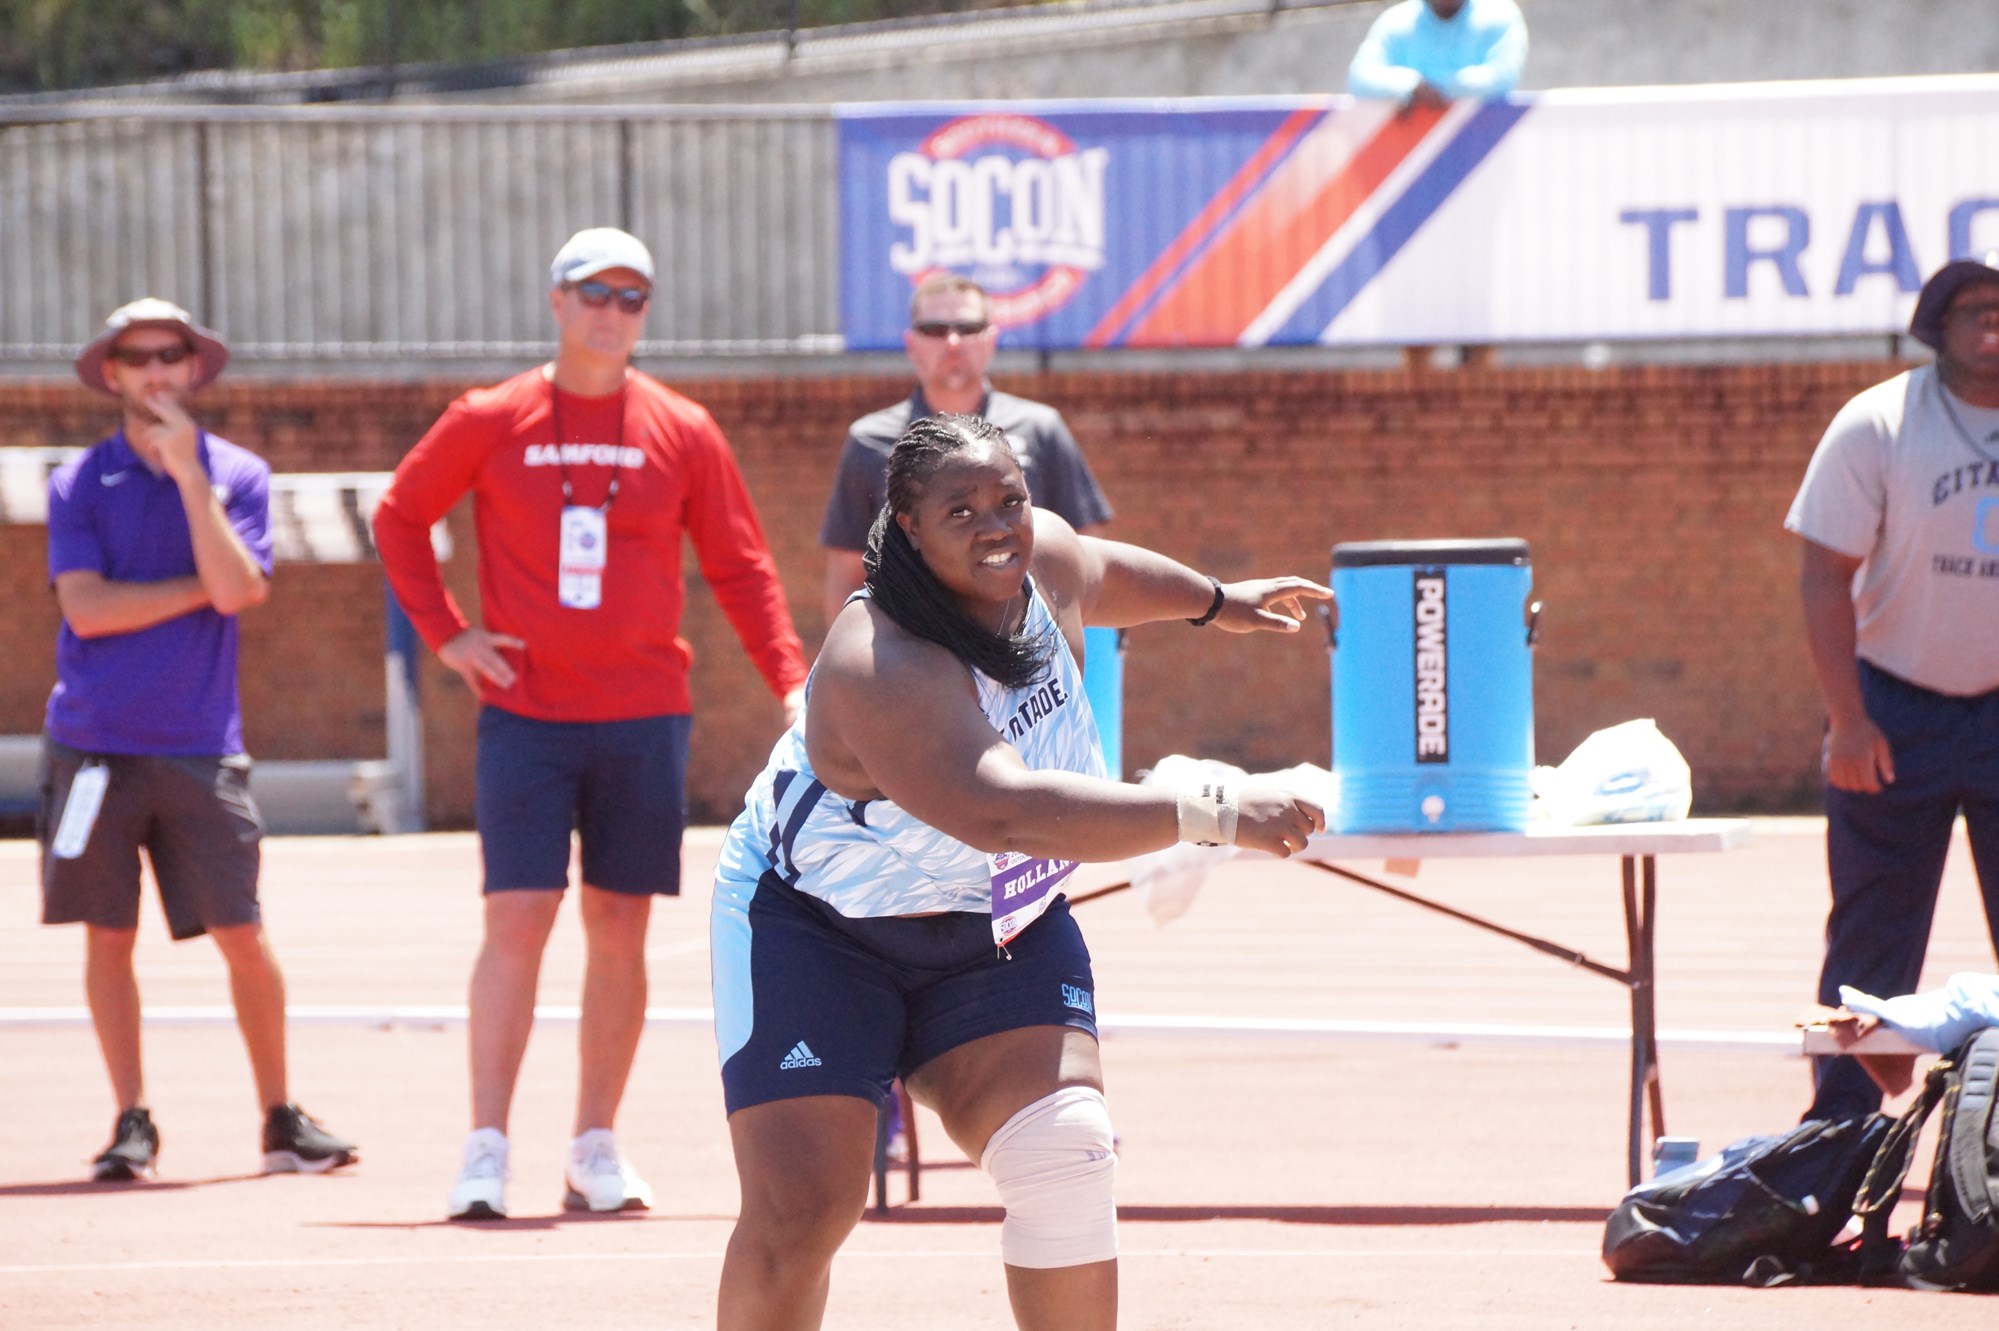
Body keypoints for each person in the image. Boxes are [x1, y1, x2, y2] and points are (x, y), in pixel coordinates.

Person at [710, 414, 1329, 1329]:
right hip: (817, 932)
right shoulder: (879, 661)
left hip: (996, 929)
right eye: (959, 511)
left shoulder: (1042, 561)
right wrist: (1216, 810)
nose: (995, 526)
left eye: (1010, 501)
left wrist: (1216, 599)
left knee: (1065, 1154)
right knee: (802, 1211)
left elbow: (1105, 571)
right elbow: (1003, 809)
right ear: (908, 526)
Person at [371, 227, 809, 1221]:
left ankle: (594, 1142)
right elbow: (400, 516)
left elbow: (741, 565)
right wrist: (447, 633)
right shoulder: (491, 416)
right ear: (557, 301)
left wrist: (792, 681)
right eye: (594, 292)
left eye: (631, 296)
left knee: (621, 925)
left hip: (642, 714)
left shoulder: (682, 428)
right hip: (526, 715)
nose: (612, 311)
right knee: (518, 915)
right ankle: (485, 1146)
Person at [40, 297, 359, 1182]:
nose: (154, 371)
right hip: (93, 744)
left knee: (240, 929)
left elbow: (242, 589)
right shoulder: (77, 482)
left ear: (192, 367)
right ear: (112, 372)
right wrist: (203, 589)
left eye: (169, 354)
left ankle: (280, 1118)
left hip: (200, 746)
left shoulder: (237, 473)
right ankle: (131, 1120)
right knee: (109, 935)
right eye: (137, 356)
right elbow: (87, 609)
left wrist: (188, 477)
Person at [1785, 252, 1999, 1119]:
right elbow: (1822, 575)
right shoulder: (1877, 423)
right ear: (1937, 327)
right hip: (1894, 709)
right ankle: (1836, 1135)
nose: (1991, 324)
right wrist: (1846, 719)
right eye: (1974, 308)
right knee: (1869, 937)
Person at [819, 274, 1113, 623]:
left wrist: (1081, 647)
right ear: (912, 343)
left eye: (969, 328)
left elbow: (1085, 553)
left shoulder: (1041, 429)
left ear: (991, 339)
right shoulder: (869, 440)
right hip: (913, 645)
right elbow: (847, 572)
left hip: (1025, 640)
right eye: (934, 329)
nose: (953, 342)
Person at [1346, 0, 1528, 108]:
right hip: (1408, 152)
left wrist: (1438, 88)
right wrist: (1411, 84)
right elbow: (1359, 78)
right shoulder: (1396, 20)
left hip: (1483, 146)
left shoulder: (1499, 15)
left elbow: (1504, 76)